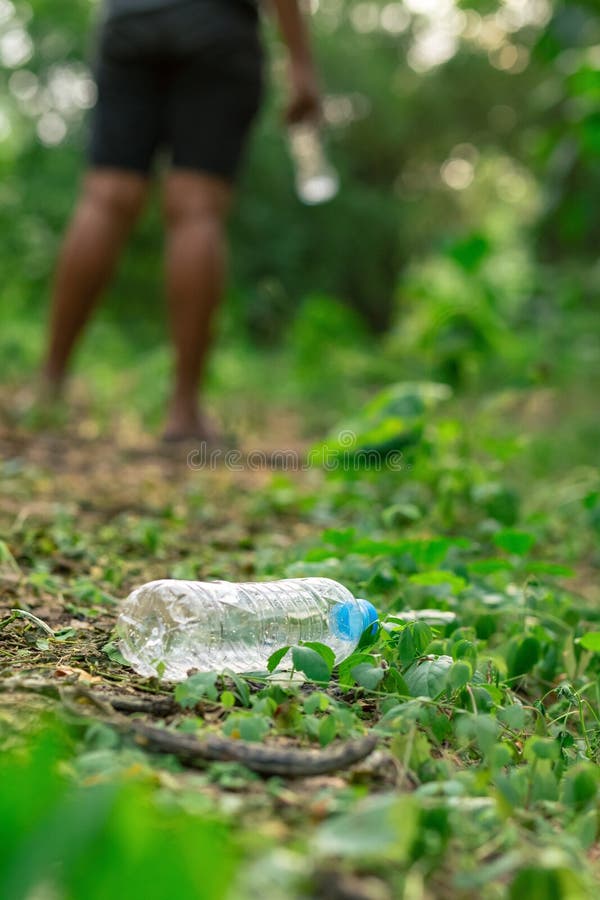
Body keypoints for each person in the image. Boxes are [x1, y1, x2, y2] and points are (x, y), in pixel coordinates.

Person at [41, 0, 320, 441]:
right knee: (197, 207)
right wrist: (301, 63)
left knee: (106, 196)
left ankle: (49, 383)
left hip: (132, 19)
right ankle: (184, 410)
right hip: (216, 24)